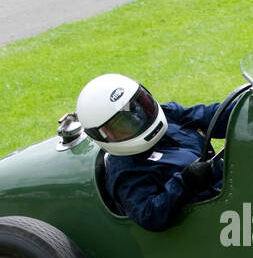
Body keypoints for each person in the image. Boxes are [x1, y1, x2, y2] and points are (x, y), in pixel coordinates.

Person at [76, 73, 226, 231]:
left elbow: (211, 115)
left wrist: (243, 109)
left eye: (136, 106)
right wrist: (184, 182)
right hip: (213, 222)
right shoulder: (127, 172)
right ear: (104, 136)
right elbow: (149, 215)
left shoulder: (167, 114)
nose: (135, 119)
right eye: (122, 122)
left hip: (230, 186)